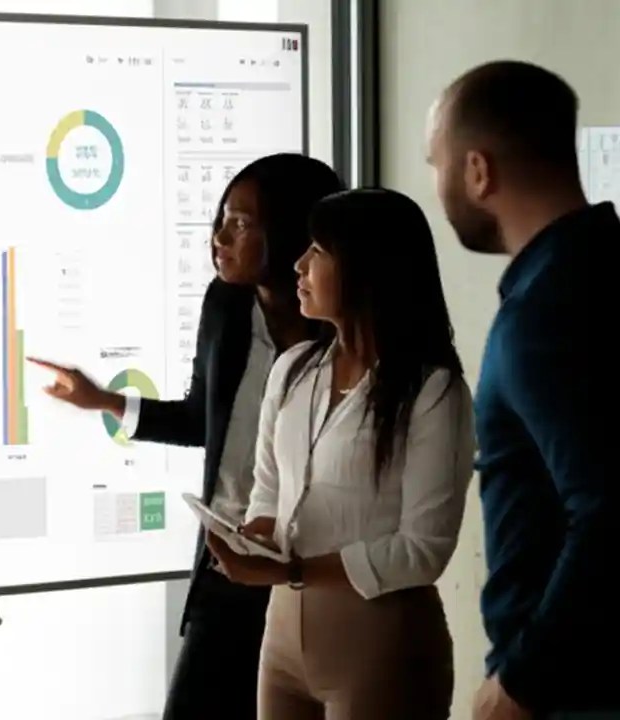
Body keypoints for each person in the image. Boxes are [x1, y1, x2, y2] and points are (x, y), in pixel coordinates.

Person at [30, 153, 343, 719]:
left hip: (310, 580)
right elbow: (206, 418)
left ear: (295, 231)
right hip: (227, 565)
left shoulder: (346, 335)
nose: (220, 237)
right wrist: (102, 401)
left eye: (243, 224)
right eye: (222, 219)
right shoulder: (225, 305)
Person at [207, 188, 474, 719]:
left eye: (318, 251)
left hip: (382, 645)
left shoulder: (432, 392)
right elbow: (269, 491)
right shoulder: (293, 369)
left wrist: (294, 570)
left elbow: (424, 550)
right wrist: (255, 536)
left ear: (368, 268)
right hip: (282, 641)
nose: (299, 265)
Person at [428, 60, 620, 720]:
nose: (438, 186)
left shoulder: (546, 311)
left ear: (479, 172)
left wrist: (522, 680)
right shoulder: (597, 269)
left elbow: (608, 505)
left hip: (572, 688)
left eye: (438, 165)